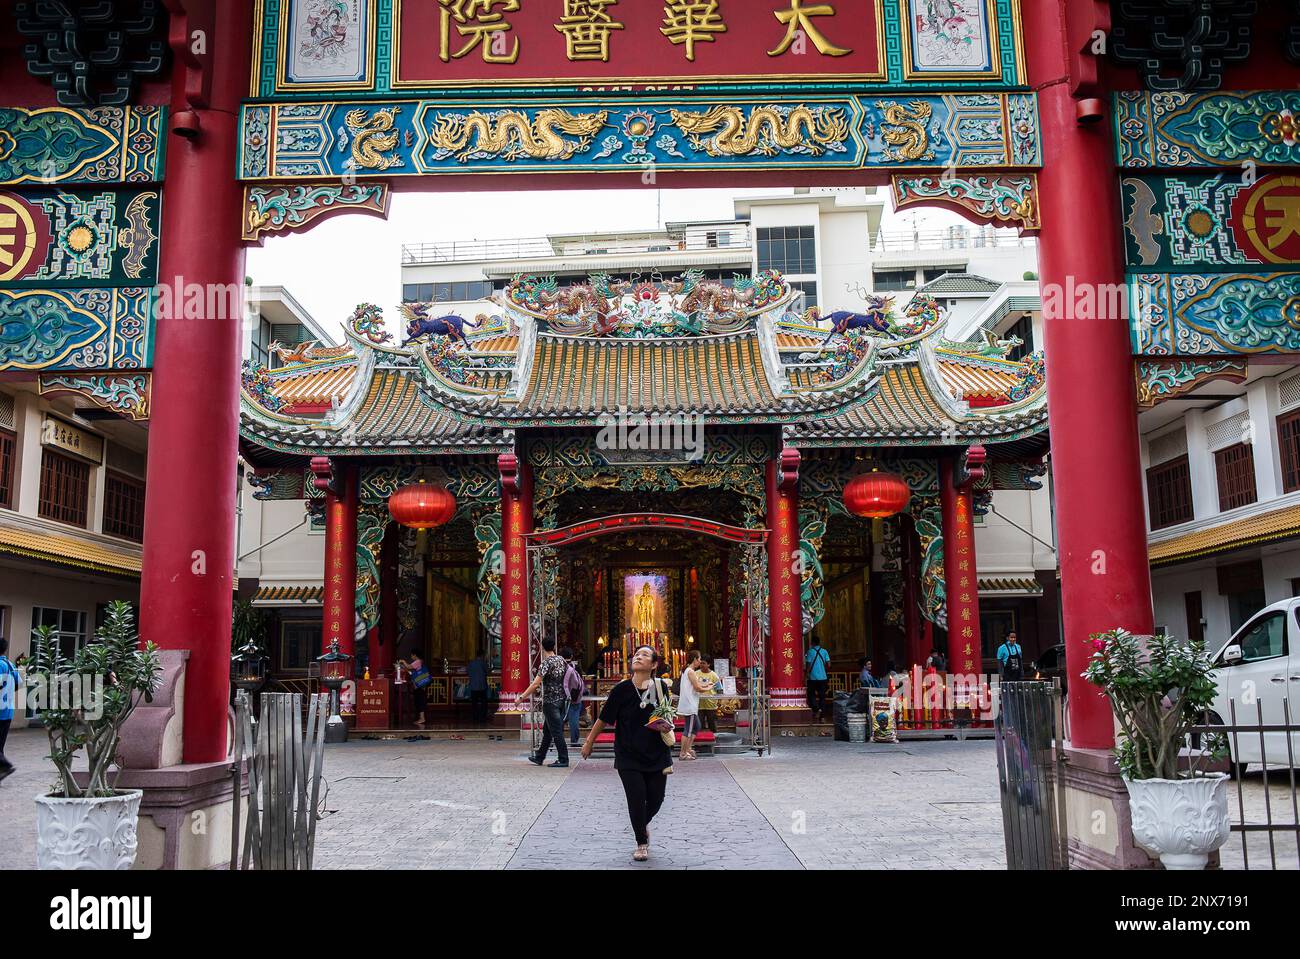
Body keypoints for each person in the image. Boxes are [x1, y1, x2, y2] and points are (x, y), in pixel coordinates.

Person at [581, 645, 673, 862]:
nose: (638, 657)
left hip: (656, 753)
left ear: (654, 664)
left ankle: (641, 822)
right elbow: (603, 719)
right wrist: (589, 742)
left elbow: (667, 714)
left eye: (644, 655)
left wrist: (665, 725)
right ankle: (641, 842)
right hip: (628, 754)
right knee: (636, 798)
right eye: (636, 655)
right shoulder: (621, 690)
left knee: (657, 799)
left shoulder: (660, 687)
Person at [521, 637, 569, 767]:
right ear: (554, 646)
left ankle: (563, 759)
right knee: (549, 730)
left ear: (542, 647)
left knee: (556, 731)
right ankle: (540, 757)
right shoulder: (562, 660)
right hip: (561, 700)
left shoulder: (546, 663)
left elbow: (536, 683)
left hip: (550, 702)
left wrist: (521, 697)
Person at [677, 650, 713, 760]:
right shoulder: (690, 671)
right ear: (694, 659)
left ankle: (687, 749)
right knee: (688, 728)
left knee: (696, 726)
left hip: (690, 703)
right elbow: (697, 687)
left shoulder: (688, 670)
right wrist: (708, 688)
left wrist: (706, 684)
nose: (700, 661)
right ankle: (683, 753)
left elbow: (696, 684)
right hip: (689, 704)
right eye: (699, 659)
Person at [0, 638, 18, 782]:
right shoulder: (10, 664)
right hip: (7, 711)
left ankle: (6, 765)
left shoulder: (0, 665)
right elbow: (18, 684)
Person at [398, 649, 430, 727]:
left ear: (415, 655)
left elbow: (409, 666)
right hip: (419, 685)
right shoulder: (418, 662)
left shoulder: (418, 661)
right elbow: (410, 670)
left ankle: (422, 718)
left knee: (420, 701)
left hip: (420, 685)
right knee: (419, 701)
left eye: (412, 655)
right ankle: (421, 718)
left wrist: (403, 661)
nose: (411, 656)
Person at [562, 647, 586, 747]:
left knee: (559, 719)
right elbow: (581, 679)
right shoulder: (576, 667)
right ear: (571, 656)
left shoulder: (560, 667)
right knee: (574, 719)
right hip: (575, 696)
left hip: (562, 696)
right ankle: (574, 741)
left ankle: (557, 740)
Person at [805, 637, 830, 720]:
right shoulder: (824, 651)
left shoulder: (810, 652)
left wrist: (807, 673)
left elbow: (808, 664)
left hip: (813, 678)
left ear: (812, 643)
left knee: (810, 694)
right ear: (819, 642)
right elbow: (829, 664)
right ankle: (822, 716)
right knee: (822, 697)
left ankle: (816, 708)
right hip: (823, 678)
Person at [696, 657, 721, 733]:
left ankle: (714, 740)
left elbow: (719, 690)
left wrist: (719, 701)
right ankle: (700, 742)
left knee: (712, 725)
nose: (702, 665)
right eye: (701, 663)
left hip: (711, 705)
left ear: (709, 664)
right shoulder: (695, 673)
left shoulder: (714, 675)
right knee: (699, 726)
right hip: (699, 705)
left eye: (704, 663)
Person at [467, 649, 489, 725]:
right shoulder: (483, 663)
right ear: (482, 655)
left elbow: (468, 672)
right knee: (484, 703)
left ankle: (475, 717)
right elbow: (488, 672)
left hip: (473, 686)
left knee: (474, 703)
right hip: (482, 686)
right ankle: (482, 718)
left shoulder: (471, 663)